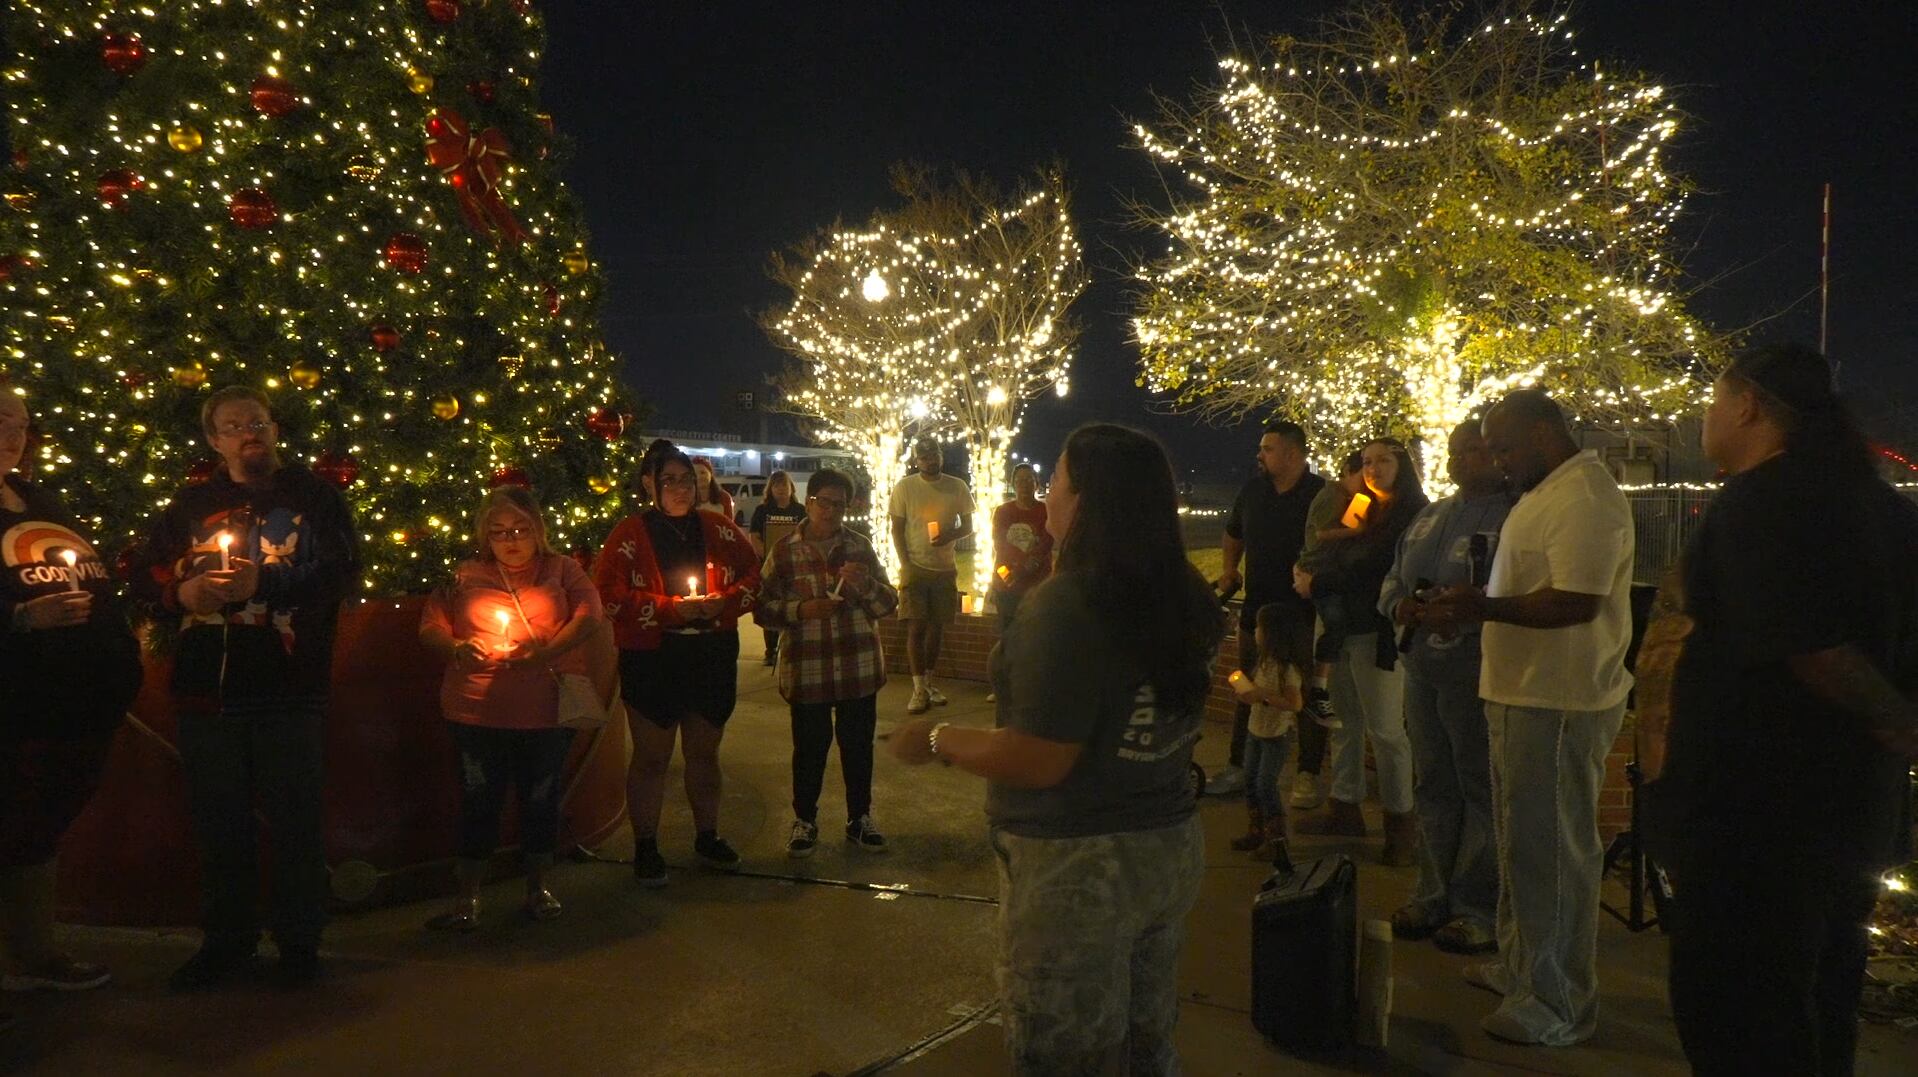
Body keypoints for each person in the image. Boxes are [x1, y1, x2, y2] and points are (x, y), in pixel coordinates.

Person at [891, 423, 1222, 1075]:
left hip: (1081, 866)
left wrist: (936, 737)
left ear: (1089, 500)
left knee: (1065, 1051)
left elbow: (1041, 757)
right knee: (1147, 1039)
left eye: (1057, 486)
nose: (1045, 503)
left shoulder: (1068, 605)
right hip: (1168, 844)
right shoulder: (1184, 590)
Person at [1646, 343, 1918, 1075]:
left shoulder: (1761, 503)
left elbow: (1810, 644)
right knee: (1823, 1002)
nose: (1705, 417)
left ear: (1748, 405)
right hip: (1854, 811)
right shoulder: (1879, 506)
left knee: (1740, 1016)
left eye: (1712, 400)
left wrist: (1896, 717)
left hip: (1756, 819)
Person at [1421, 388, 1633, 1047]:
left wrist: (1479, 608)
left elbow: (1575, 601)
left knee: (1556, 853)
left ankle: (1559, 1000)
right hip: (1522, 695)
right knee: (1521, 848)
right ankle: (1522, 968)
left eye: (1506, 446)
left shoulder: (1584, 495)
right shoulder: (1547, 492)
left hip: (1560, 702)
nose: (1498, 459)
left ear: (1545, 433)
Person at [134, 386, 361, 991]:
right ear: (215, 440)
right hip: (209, 691)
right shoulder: (192, 506)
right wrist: (178, 595)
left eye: (257, 421)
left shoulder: (316, 498)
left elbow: (341, 572)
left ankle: (299, 942)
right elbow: (143, 574)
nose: (247, 433)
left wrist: (266, 583)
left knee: (295, 820)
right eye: (233, 426)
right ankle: (226, 941)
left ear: (275, 428)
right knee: (220, 823)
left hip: (290, 686)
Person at [0, 389, 142, 1004]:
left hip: (75, 709)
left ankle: (36, 953)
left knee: (37, 832)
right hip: (16, 708)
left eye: (22, 422)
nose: (13, 431)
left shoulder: (37, 502)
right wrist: (21, 621)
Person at [417, 486, 609, 930]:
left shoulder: (562, 569)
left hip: (543, 711)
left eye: (520, 529)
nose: (511, 539)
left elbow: (590, 613)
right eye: (499, 531)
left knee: (540, 799)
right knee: (477, 801)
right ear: (485, 535)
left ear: (538, 530)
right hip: (475, 711)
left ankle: (537, 887)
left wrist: (546, 652)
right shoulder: (463, 573)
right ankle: (468, 897)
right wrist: (458, 646)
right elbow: (430, 626)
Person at [594, 441, 760, 887]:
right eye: (669, 480)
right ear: (648, 483)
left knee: (704, 753)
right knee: (652, 756)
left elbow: (753, 575)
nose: (681, 489)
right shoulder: (629, 534)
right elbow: (606, 593)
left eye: (686, 479)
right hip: (654, 659)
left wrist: (722, 604)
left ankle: (708, 835)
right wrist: (668, 609)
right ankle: (646, 845)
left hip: (709, 655)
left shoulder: (717, 529)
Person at [1378, 420, 1511, 954]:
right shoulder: (1429, 517)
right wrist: (1401, 607)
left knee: (1480, 786)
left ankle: (1477, 908)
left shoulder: (1514, 517)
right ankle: (1431, 894)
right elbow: (1392, 581)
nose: (1461, 460)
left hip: (1477, 672)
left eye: (1475, 450)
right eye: (1456, 451)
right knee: (1432, 782)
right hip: (1423, 672)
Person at [1293, 438, 1427, 864]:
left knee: (1387, 730)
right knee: (1343, 720)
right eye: (1367, 461)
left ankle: (1400, 824)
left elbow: (1373, 566)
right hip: (1342, 629)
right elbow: (1333, 548)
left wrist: (1318, 583)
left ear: (1401, 465)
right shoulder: (1363, 504)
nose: (1372, 468)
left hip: (1376, 631)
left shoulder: (1409, 513)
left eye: (1383, 460)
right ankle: (1344, 806)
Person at [756, 468, 900, 857]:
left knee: (858, 748)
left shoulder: (860, 548)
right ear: (809, 501)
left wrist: (864, 585)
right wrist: (802, 610)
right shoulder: (784, 550)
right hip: (809, 669)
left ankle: (859, 819)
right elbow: (762, 608)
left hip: (857, 666)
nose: (831, 511)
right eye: (824, 502)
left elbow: (888, 605)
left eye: (839, 504)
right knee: (809, 749)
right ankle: (805, 820)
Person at [1212, 422, 1325, 801]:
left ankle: (1307, 773)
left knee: (1304, 691)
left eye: (1268, 448)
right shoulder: (1253, 490)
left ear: (1293, 454)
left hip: (1303, 613)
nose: (1259, 455)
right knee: (1247, 684)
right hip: (1256, 609)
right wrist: (1231, 568)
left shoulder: (1320, 494)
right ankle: (1239, 764)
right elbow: (1233, 533)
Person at [889, 438, 974, 715]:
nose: (929, 460)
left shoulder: (957, 486)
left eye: (933, 455)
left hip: (945, 568)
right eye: (923, 457)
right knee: (916, 627)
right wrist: (906, 564)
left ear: (941, 456)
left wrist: (950, 535)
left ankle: (928, 682)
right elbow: (896, 529)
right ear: (916, 460)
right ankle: (917, 689)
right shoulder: (905, 487)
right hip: (915, 568)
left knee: (937, 628)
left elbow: (969, 526)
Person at [1226, 603, 1308, 871]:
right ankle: (1256, 831)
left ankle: (1276, 839)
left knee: (1265, 784)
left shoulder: (1287, 670)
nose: (1256, 631)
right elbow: (1253, 691)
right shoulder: (1262, 662)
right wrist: (1243, 690)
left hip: (1275, 735)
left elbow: (1295, 704)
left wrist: (1262, 696)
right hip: (1255, 731)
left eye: (1259, 627)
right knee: (1250, 780)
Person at [1294, 450, 1368, 729]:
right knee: (1335, 625)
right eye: (1363, 474)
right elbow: (1321, 533)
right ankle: (1318, 688)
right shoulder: (1332, 495)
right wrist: (1357, 532)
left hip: (1324, 570)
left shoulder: (1350, 498)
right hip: (1317, 569)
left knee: (1336, 625)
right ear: (1349, 470)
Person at [748, 470, 806, 667]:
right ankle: (770, 651)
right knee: (771, 607)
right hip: (770, 566)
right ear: (770, 489)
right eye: (777, 485)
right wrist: (768, 555)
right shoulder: (762, 511)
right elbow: (754, 536)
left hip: (796, 565)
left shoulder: (800, 511)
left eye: (784, 485)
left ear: (791, 488)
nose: (781, 489)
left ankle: (795, 648)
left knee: (795, 607)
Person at [990, 462, 1052, 634]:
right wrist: (1017, 569)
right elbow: (1000, 544)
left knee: (1035, 636)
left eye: (1028, 480)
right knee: (1007, 636)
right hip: (1007, 581)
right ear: (1013, 484)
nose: (1024, 484)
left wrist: (1027, 567)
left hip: (1037, 585)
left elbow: (1046, 544)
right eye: (1019, 481)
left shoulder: (1046, 511)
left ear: (1036, 483)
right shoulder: (1003, 512)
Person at [690, 456, 735, 521]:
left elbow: (729, 525)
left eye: (703, 473)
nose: (699, 477)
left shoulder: (724, 497)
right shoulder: (688, 498)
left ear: (710, 474)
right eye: (694, 474)